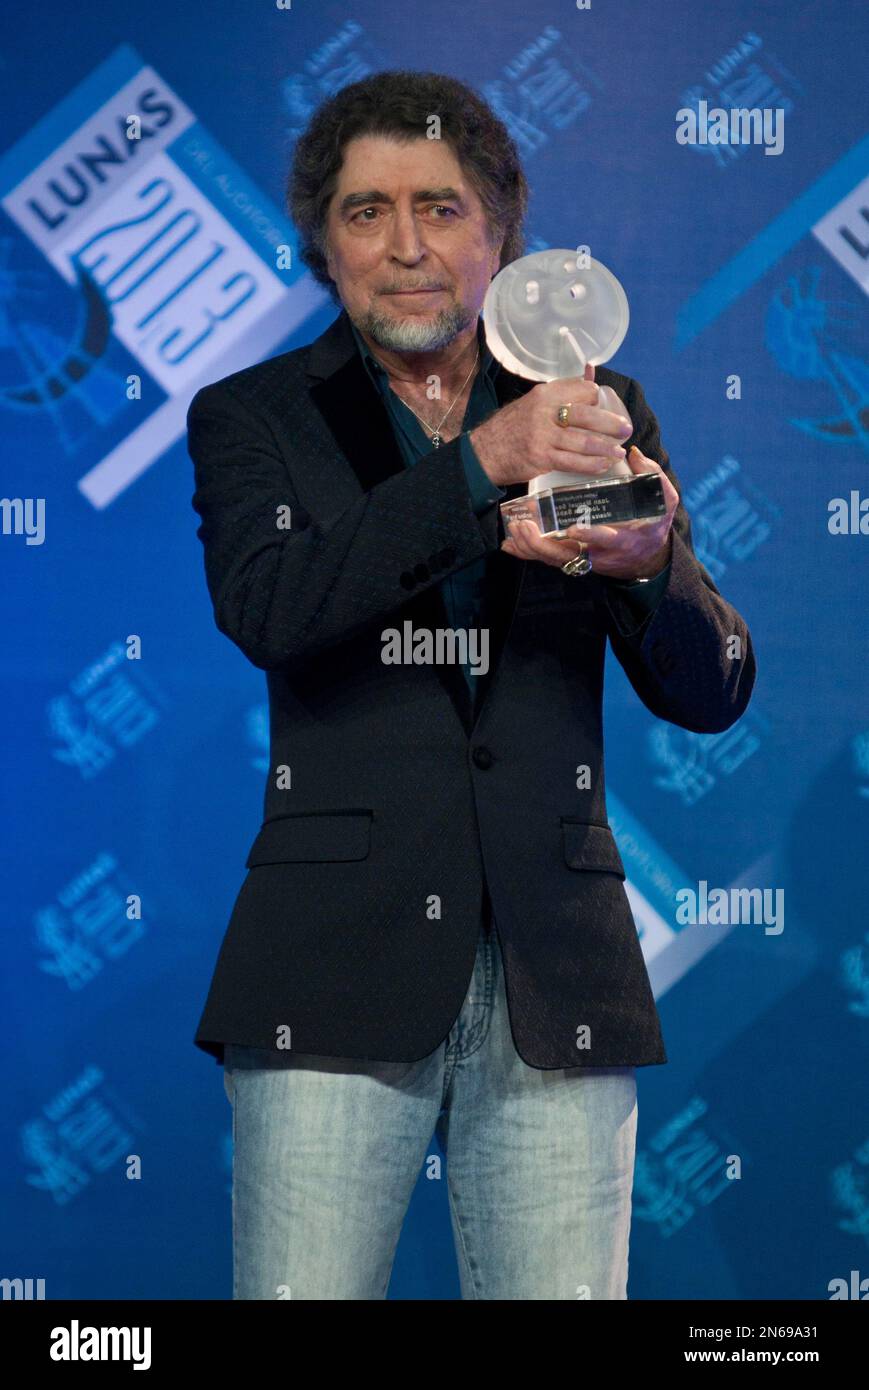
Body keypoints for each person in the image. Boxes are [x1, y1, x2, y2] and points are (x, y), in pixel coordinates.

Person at [187, 70, 756, 1300]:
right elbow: (271, 606)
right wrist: (480, 472)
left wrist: (650, 568)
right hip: (329, 972)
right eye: (365, 212)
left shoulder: (598, 409)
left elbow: (711, 690)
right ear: (319, 244)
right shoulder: (251, 418)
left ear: (500, 234)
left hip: (557, 974)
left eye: (440, 209)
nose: (404, 248)